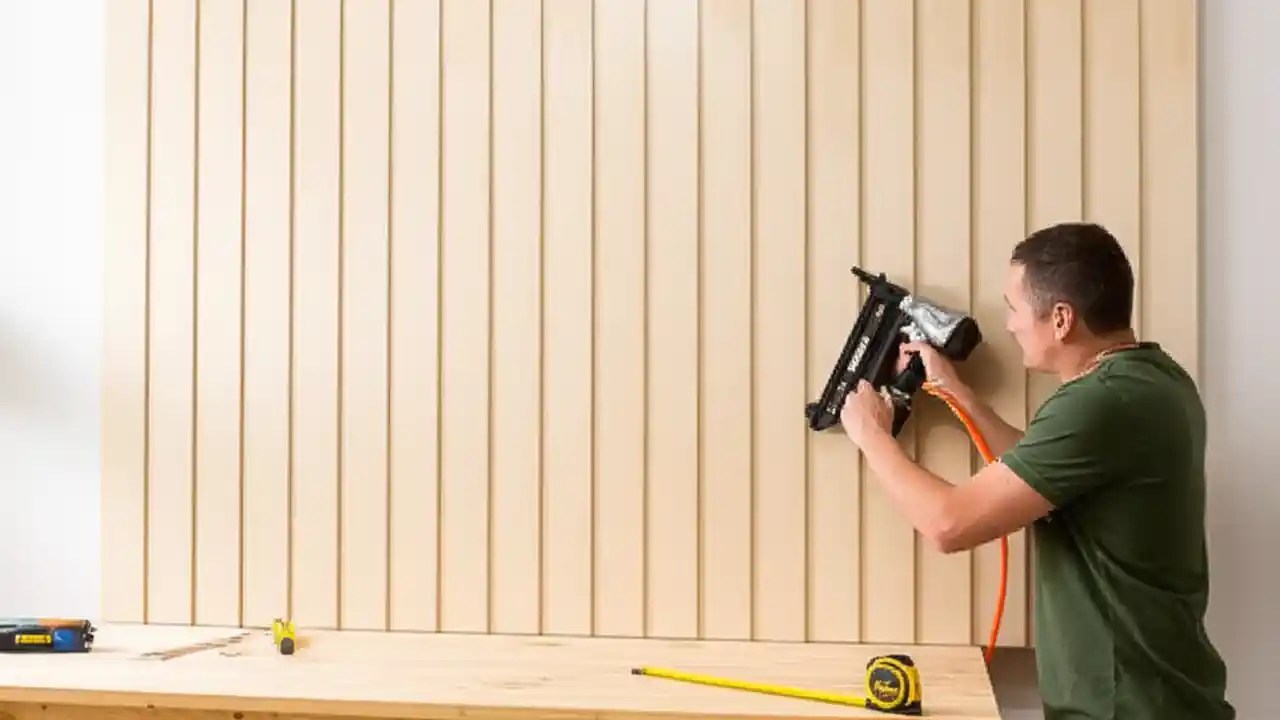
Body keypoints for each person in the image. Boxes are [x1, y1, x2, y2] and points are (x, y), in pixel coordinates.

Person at [838, 222, 1234, 720]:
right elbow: (1046, 472)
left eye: (1014, 307)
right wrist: (957, 395)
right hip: (1157, 699)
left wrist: (871, 436)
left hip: (1127, 708)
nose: (1009, 325)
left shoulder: (1103, 401)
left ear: (1062, 318)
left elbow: (948, 525)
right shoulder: (1154, 380)